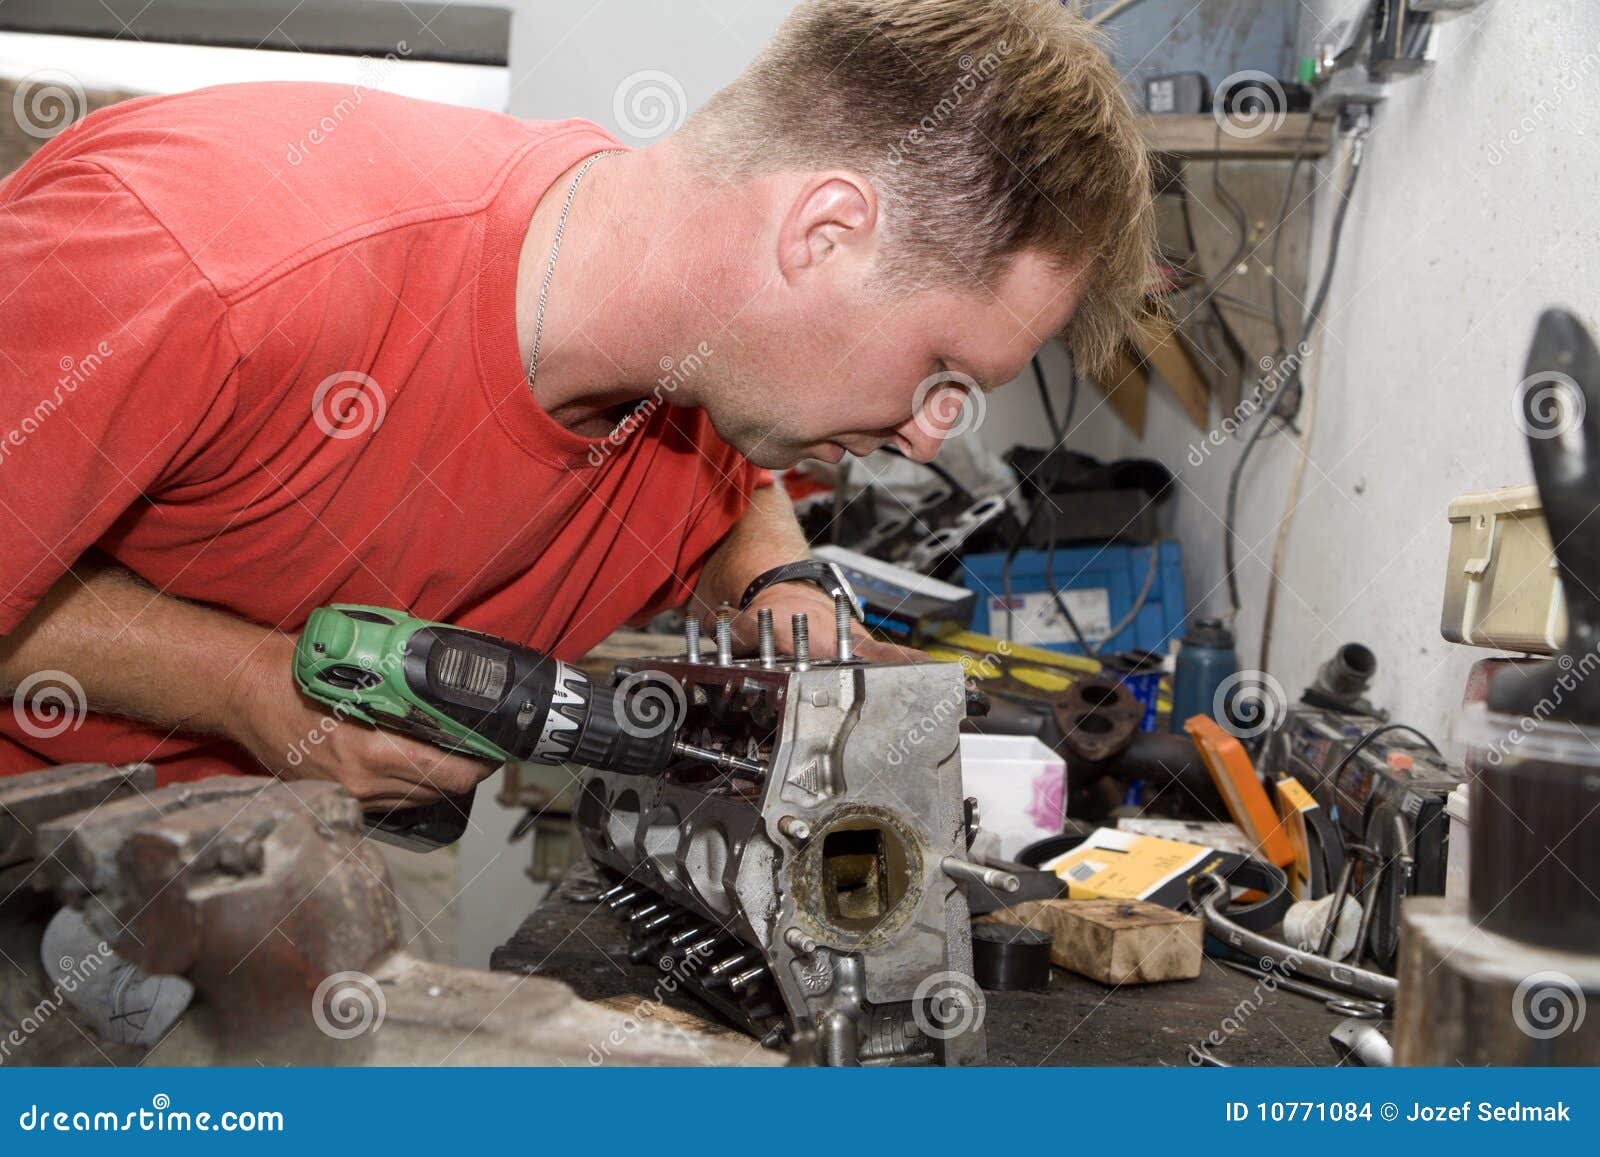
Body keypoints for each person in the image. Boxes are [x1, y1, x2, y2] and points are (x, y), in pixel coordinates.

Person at [0, 0, 1154, 812]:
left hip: (248, 884)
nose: (926, 432)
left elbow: (726, 481)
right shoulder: (201, 258)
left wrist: (778, 581)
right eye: (941, 368)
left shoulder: (701, 365)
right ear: (825, 232)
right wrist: (247, 687)